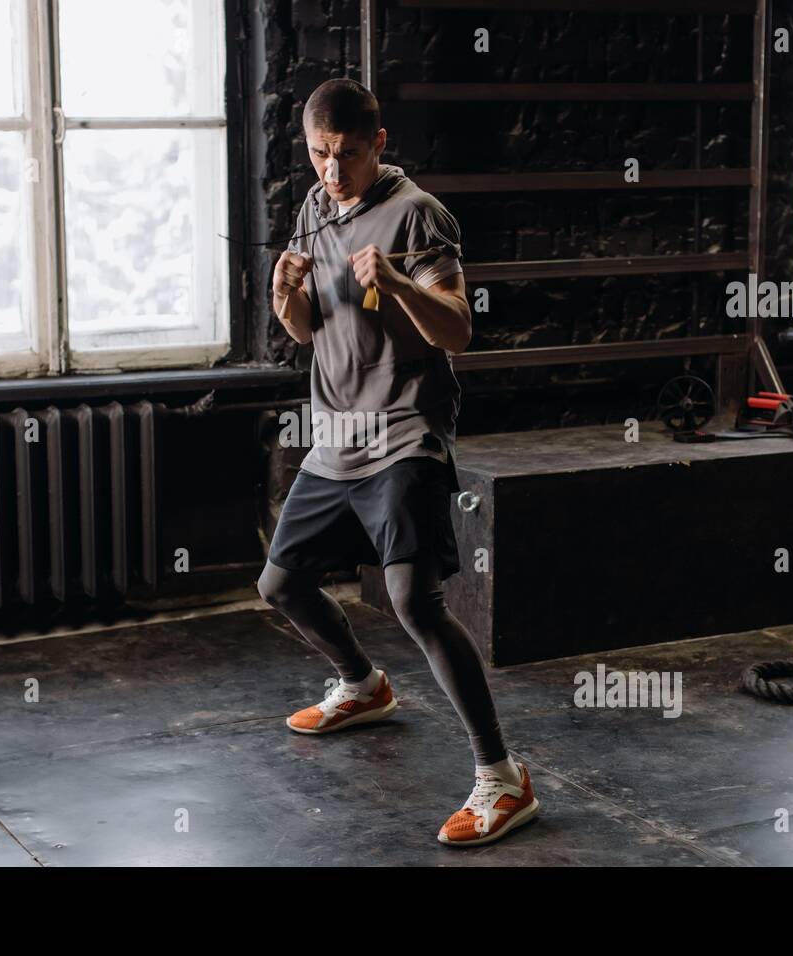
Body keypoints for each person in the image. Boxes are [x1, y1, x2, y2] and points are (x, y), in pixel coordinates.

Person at [256, 77, 539, 847]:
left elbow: (456, 332)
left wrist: (397, 285)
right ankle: (361, 684)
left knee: (414, 601)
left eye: (346, 154)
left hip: (407, 427)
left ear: (377, 145)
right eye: (319, 155)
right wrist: (284, 297)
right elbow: (311, 330)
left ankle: (501, 778)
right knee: (279, 583)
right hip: (337, 431)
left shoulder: (417, 214)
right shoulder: (317, 206)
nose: (332, 171)